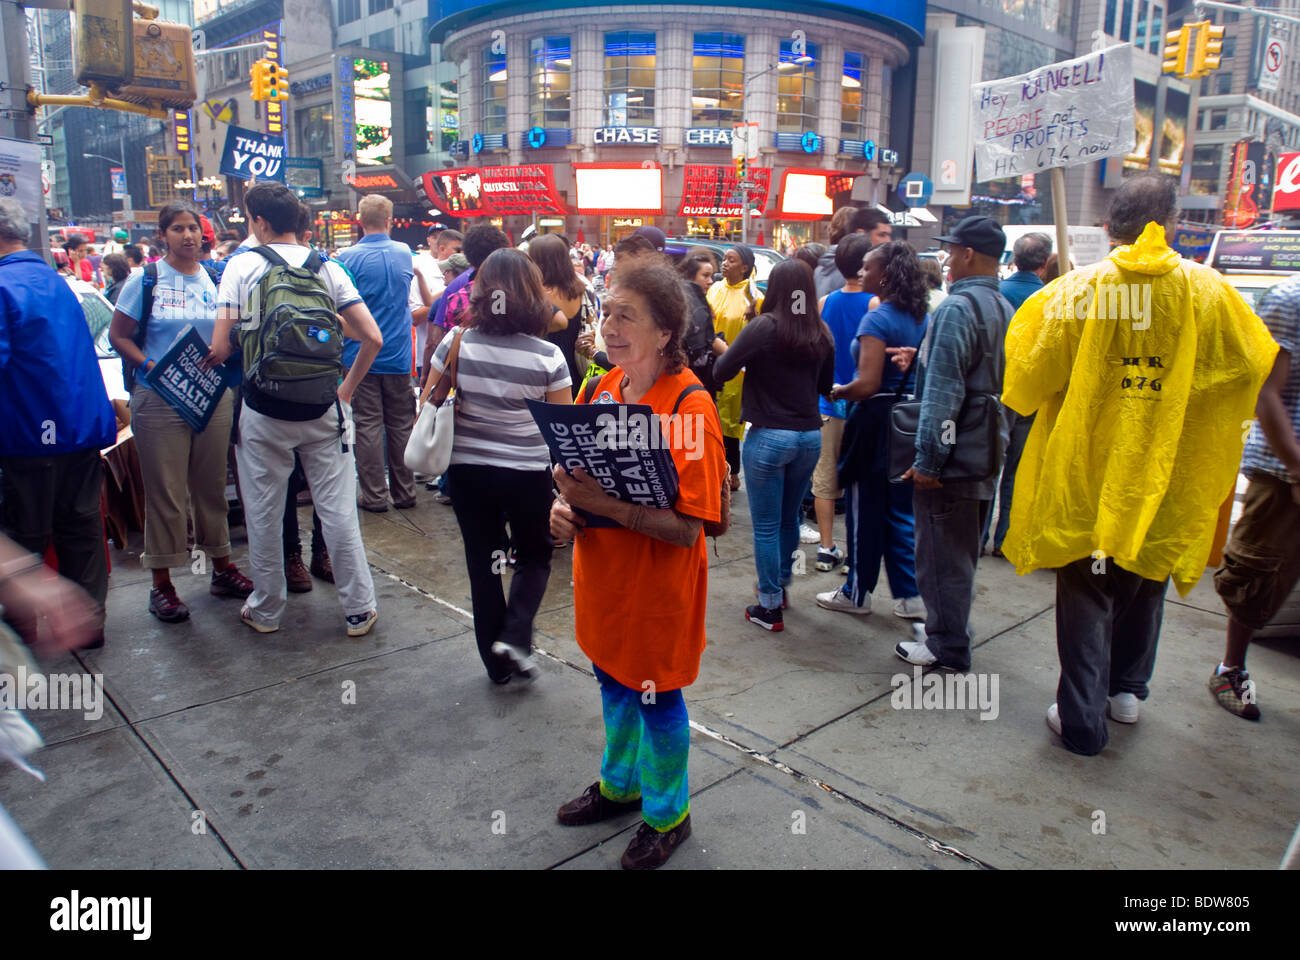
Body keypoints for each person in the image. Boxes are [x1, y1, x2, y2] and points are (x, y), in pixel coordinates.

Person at [1002, 173, 1276, 755]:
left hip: (1088, 471)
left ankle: (1081, 720)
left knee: (1089, 589)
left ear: (1109, 227)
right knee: (1145, 577)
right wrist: (1183, 391)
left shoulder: (1076, 291)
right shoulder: (1211, 294)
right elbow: (1252, 365)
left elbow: (1027, 378)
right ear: (1173, 222)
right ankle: (1126, 693)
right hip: (1166, 472)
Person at [550, 256, 725, 870]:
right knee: (612, 681)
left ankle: (667, 815)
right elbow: (575, 480)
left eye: (628, 317)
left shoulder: (689, 409)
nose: (610, 328)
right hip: (603, 578)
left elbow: (688, 529)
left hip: (658, 588)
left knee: (654, 696)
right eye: (606, 313)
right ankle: (620, 785)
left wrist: (603, 503)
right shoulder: (599, 389)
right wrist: (564, 507)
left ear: (666, 332)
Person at [206, 181, 385, 637]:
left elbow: (221, 345)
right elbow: (373, 338)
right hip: (325, 410)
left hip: (264, 411)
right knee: (338, 512)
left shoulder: (240, 267)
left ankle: (266, 611)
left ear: (260, 222)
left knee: (264, 512)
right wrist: (344, 391)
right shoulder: (327, 267)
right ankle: (359, 610)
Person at [429, 249, 572, 683]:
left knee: (485, 563)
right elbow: (561, 429)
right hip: (527, 474)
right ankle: (514, 636)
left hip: (468, 473)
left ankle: (496, 665)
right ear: (533, 294)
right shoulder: (547, 356)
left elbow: (428, 402)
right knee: (534, 557)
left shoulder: (455, 343)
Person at [108, 201, 253, 623]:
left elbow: (232, 329)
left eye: (193, 228)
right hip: (159, 398)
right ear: (162, 235)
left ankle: (222, 567)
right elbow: (119, 336)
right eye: (177, 229)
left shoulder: (214, 279)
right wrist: (149, 364)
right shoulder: (144, 280)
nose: (188, 236)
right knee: (166, 492)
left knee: (211, 487)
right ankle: (163, 584)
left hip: (211, 395)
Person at [894, 216, 1013, 671]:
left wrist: (929, 462)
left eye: (951, 250)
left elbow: (943, 395)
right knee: (961, 552)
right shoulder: (1002, 306)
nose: (945, 259)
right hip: (986, 449)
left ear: (967, 255)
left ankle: (947, 645)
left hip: (957, 456)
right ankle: (951, 630)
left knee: (942, 555)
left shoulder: (957, 309)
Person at [0, 198, 117, 649]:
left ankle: (22, 633)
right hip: (78, 428)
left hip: (28, 433)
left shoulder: (6, 286)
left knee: (26, 532)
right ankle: (91, 622)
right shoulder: (59, 283)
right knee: (81, 527)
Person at [715, 258, 833, 630]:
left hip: (769, 436)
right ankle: (779, 587)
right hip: (809, 436)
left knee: (766, 525)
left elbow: (722, 370)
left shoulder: (765, 327)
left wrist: (756, 365)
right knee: (788, 518)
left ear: (776, 289)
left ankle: (768, 606)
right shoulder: (821, 331)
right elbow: (824, 388)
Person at [819, 240, 929, 620]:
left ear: (886, 273)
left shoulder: (877, 319)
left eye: (868, 267)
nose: (862, 273)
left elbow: (866, 384)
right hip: (909, 421)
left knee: (863, 510)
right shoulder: (921, 316)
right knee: (900, 512)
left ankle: (856, 591)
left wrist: (837, 390)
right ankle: (910, 596)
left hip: (875, 422)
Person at [1210, 282, 1300, 721]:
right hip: (1285, 474)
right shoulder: (1290, 300)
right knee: (1256, 576)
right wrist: (1298, 467)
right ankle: (1231, 669)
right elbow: (1267, 392)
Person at [334, 195, 419, 513]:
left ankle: (373, 495)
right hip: (398, 353)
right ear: (390, 220)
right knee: (401, 424)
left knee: (368, 424)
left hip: (360, 356)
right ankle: (406, 492)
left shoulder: (346, 258)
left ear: (360, 221)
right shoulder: (404, 254)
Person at [982, 232, 1054, 559]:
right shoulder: (1051, 298)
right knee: (1016, 470)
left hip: (997, 390)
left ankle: (979, 534)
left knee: (989, 467)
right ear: (1044, 263)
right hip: (1031, 395)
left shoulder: (998, 294)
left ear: (1014, 259)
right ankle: (1004, 538)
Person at [807, 233, 873, 573]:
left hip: (828, 402)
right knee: (858, 482)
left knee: (825, 480)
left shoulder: (825, 302)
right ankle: (855, 554)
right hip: (862, 402)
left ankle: (826, 547)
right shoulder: (876, 303)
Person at [420, 224, 510, 380]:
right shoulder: (515, 289)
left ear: (468, 255)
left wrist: (429, 377)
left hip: (465, 374)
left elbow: (438, 339)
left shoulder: (456, 292)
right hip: (507, 373)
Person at [708, 245, 764, 490]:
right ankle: (713, 468)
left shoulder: (755, 298)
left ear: (744, 267)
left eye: (732, 260)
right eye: (725, 259)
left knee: (732, 420)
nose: (725, 264)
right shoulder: (714, 288)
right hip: (710, 365)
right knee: (712, 416)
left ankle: (732, 471)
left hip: (739, 369)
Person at [529, 233, 595, 398]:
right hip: (579, 371)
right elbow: (593, 325)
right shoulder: (582, 290)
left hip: (547, 374)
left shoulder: (537, 295)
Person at [410, 227, 463, 379]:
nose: (461, 254)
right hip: (430, 359)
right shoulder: (422, 273)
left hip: (458, 357)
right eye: (456, 250)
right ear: (442, 249)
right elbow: (415, 317)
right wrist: (448, 295)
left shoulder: (465, 275)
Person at [814, 207, 892, 299]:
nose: (888, 241)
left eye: (888, 235)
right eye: (882, 235)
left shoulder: (820, 269)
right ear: (861, 234)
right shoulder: (853, 271)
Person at [676, 246, 724, 394]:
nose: (710, 281)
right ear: (690, 277)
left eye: (712, 276)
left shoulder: (699, 299)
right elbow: (710, 340)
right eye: (705, 276)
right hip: (688, 382)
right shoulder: (687, 304)